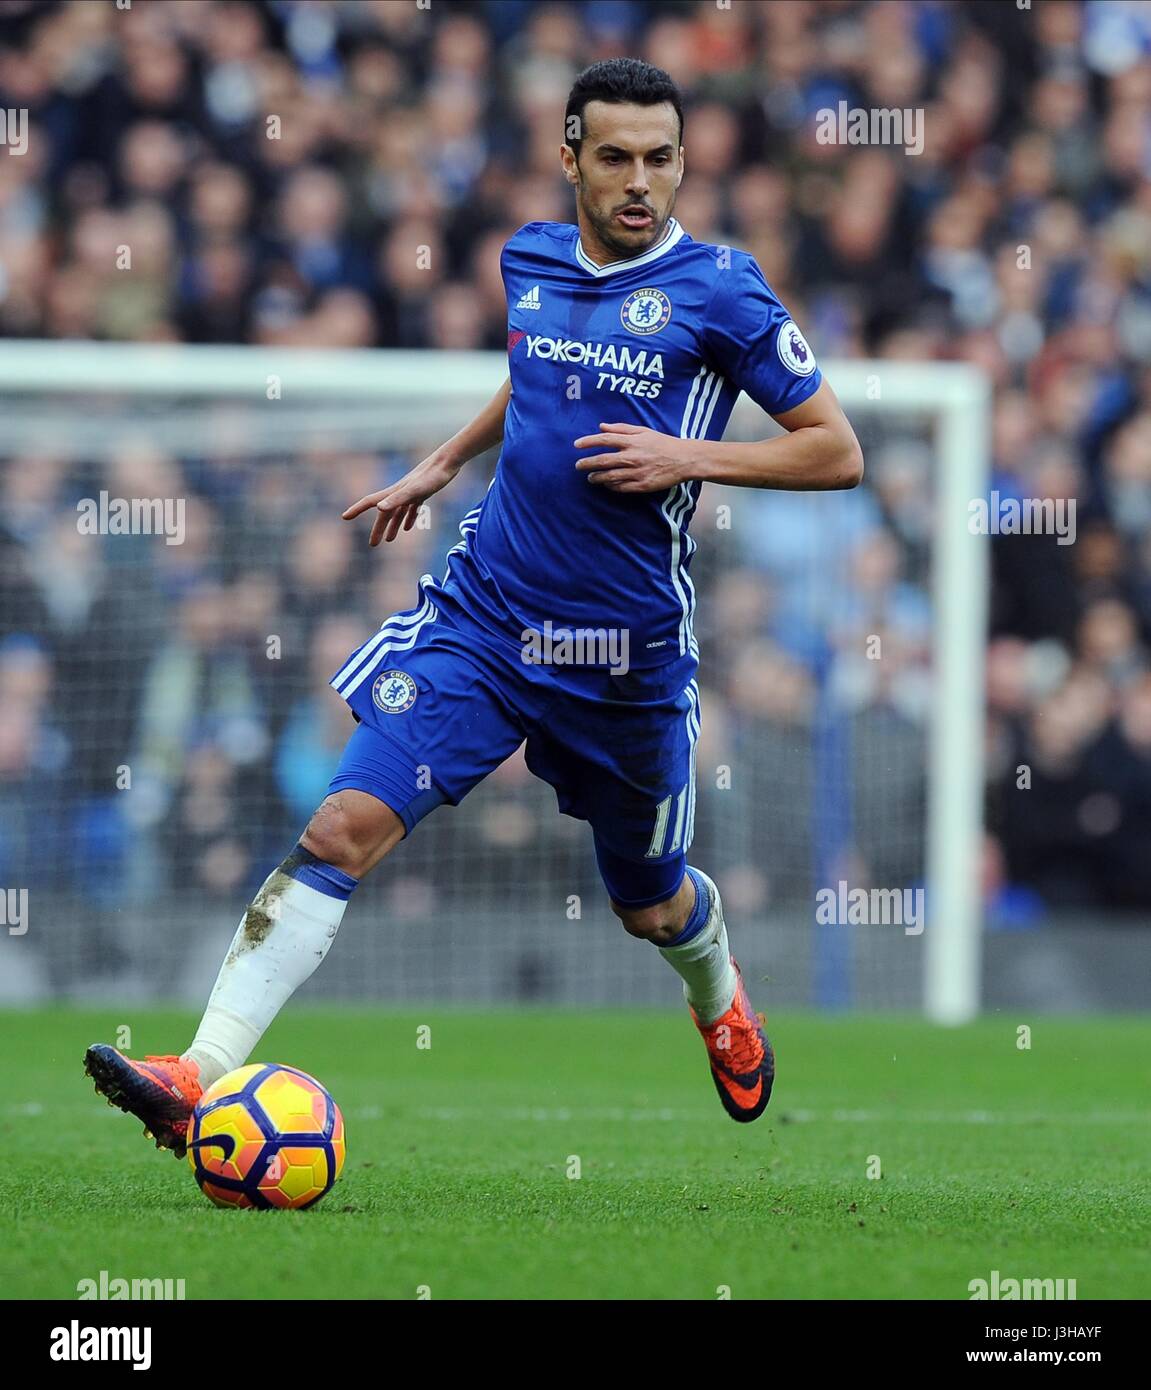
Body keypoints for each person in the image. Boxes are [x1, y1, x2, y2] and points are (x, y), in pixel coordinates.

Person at [85, 58, 863, 1154]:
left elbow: (837, 450)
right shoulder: (528, 258)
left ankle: (719, 994)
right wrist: (442, 461)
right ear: (569, 159)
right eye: (614, 158)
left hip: (621, 656)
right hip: (487, 617)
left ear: (682, 162)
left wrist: (685, 455)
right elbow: (539, 372)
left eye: (659, 159)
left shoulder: (723, 290)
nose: (639, 181)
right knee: (340, 826)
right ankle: (196, 1070)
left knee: (649, 903)